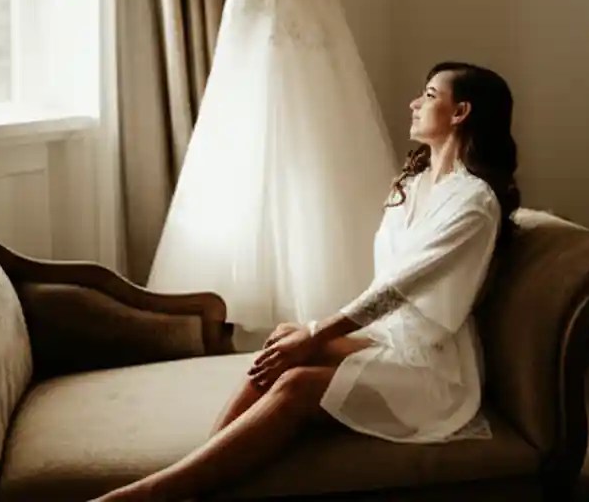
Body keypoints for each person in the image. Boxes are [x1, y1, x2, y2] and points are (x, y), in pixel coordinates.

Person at [96, 62, 520, 501]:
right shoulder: (416, 184)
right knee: (283, 341)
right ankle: (201, 470)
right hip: (392, 341)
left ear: (460, 112)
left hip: (434, 368)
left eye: (430, 95)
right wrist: (306, 337)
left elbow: (398, 288)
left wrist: (318, 332)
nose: (414, 102)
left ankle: (150, 494)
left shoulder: (472, 202)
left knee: (297, 385)